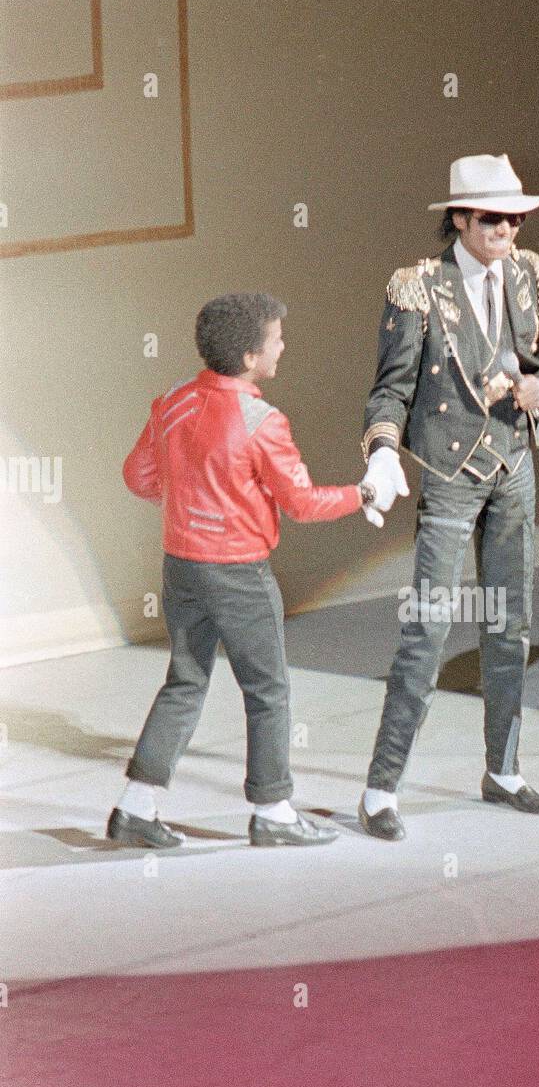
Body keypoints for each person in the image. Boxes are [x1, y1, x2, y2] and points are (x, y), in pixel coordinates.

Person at [109, 291, 384, 849]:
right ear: (251, 356)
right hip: (239, 574)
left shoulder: (172, 403)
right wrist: (366, 492)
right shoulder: (262, 421)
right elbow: (302, 503)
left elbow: (139, 478)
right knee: (267, 690)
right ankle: (274, 811)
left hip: (182, 565)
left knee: (185, 681)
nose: (283, 346)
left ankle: (135, 806)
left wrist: (189, 497)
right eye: (276, 339)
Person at [357, 154, 539, 841]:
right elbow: (389, 388)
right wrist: (385, 449)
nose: (504, 229)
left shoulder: (529, 275)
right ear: (457, 218)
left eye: (513, 218)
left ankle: (503, 770)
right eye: (490, 218)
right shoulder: (418, 288)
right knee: (427, 629)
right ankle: (381, 790)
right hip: (451, 475)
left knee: (510, 622)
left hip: (514, 465)